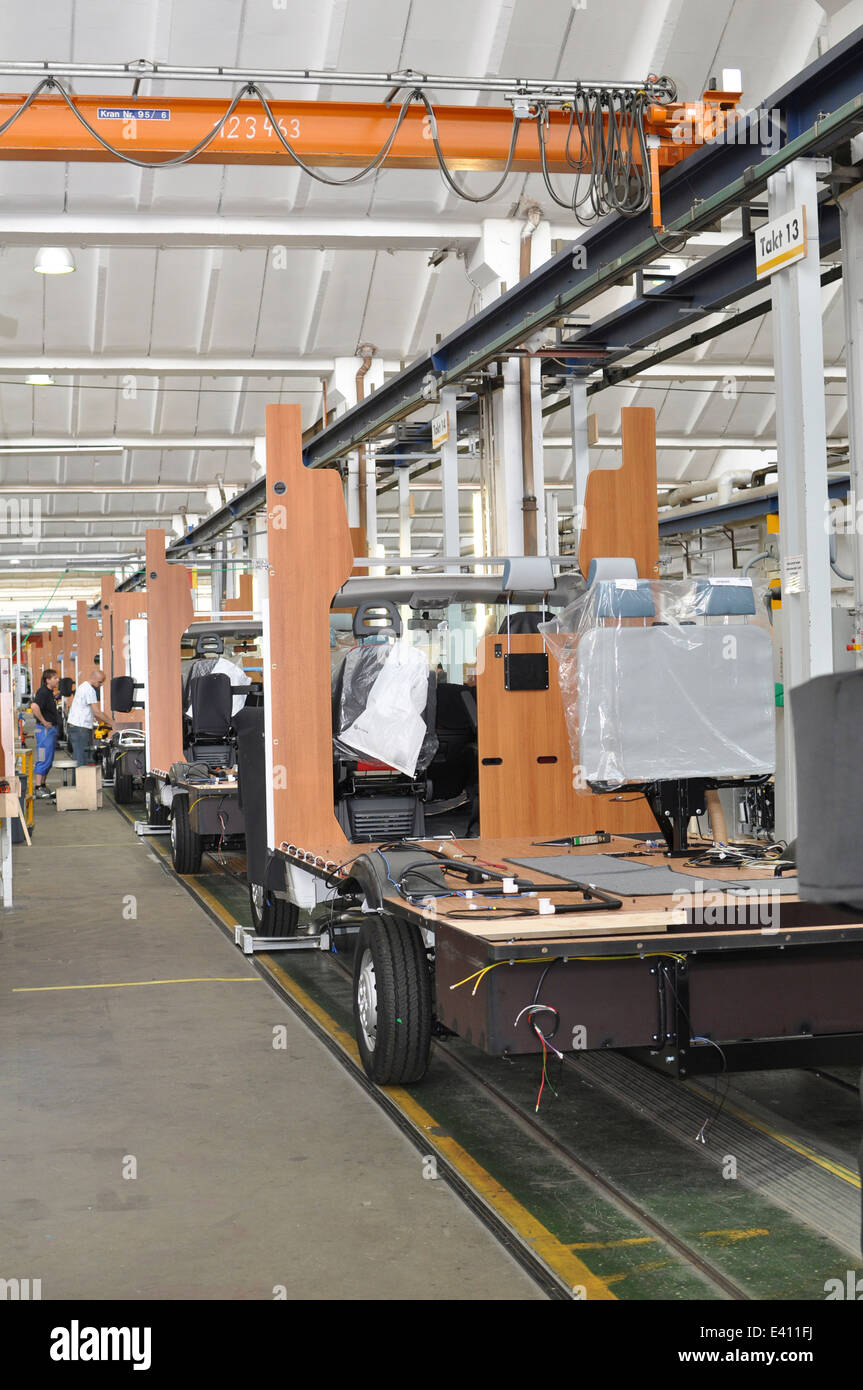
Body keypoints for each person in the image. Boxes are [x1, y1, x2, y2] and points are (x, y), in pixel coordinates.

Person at [66, 668, 113, 767]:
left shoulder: (83, 686)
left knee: (79, 757)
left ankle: (78, 782)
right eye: (100, 682)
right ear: (94, 679)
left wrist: (102, 721)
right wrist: (112, 723)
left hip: (75, 727)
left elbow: (92, 711)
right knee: (82, 759)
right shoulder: (89, 690)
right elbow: (97, 712)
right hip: (80, 728)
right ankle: (81, 782)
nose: (100, 685)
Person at [29, 668, 61, 799]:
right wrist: (44, 721)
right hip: (44, 730)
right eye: (54, 678)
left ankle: (42, 785)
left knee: (48, 759)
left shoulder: (48, 692)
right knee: (42, 757)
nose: (57, 680)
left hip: (49, 730)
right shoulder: (43, 692)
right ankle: (37, 788)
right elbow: (34, 706)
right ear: (47, 680)